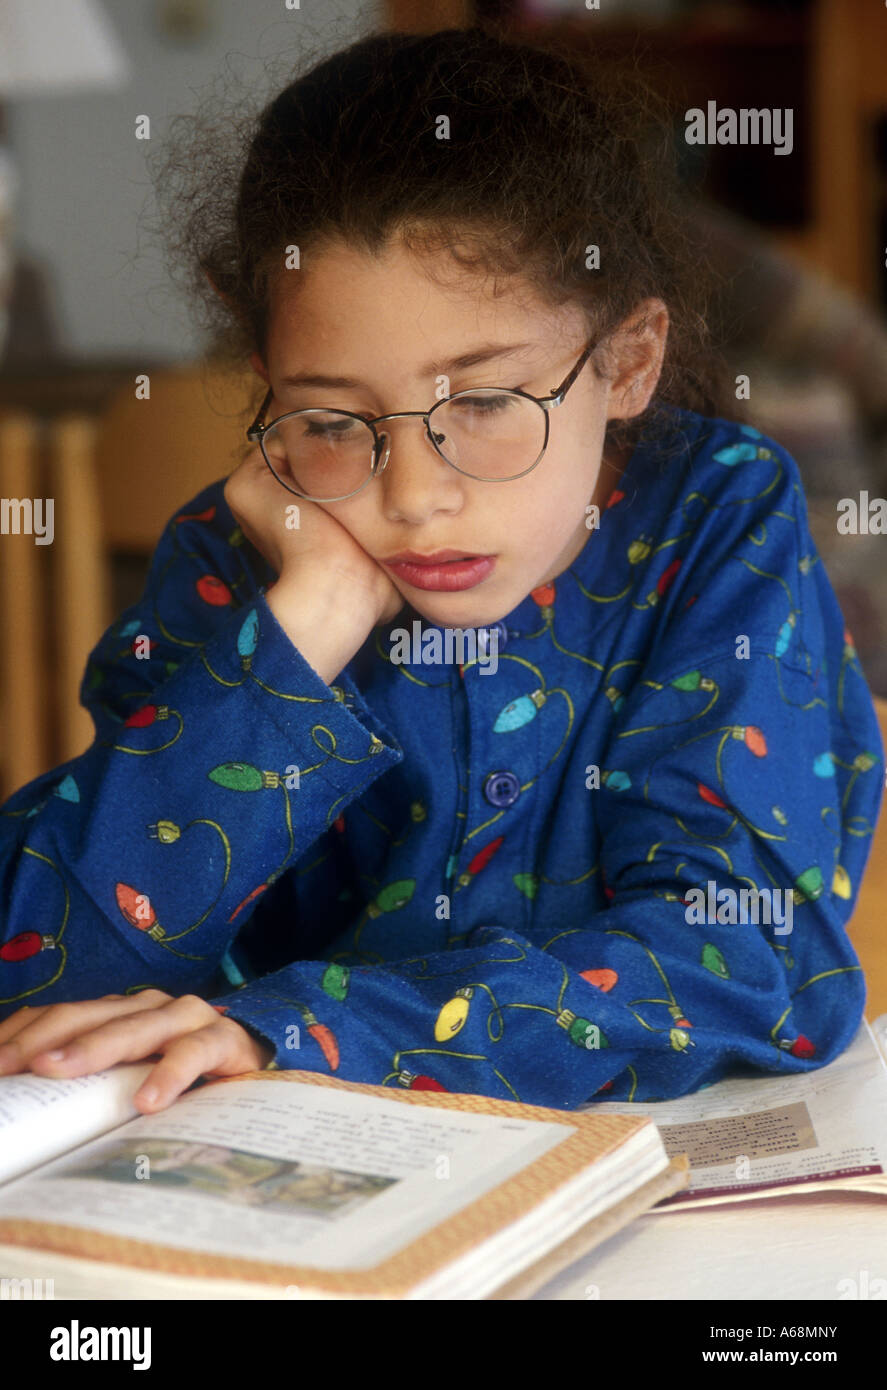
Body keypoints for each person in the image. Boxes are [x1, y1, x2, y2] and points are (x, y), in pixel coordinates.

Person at [0, 27, 882, 1115]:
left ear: (629, 360)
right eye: (332, 419)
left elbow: (746, 961)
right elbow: (38, 973)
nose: (413, 496)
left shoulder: (716, 516)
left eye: (486, 402)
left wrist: (303, 1029)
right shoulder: (240, 563)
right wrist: (304, 629)